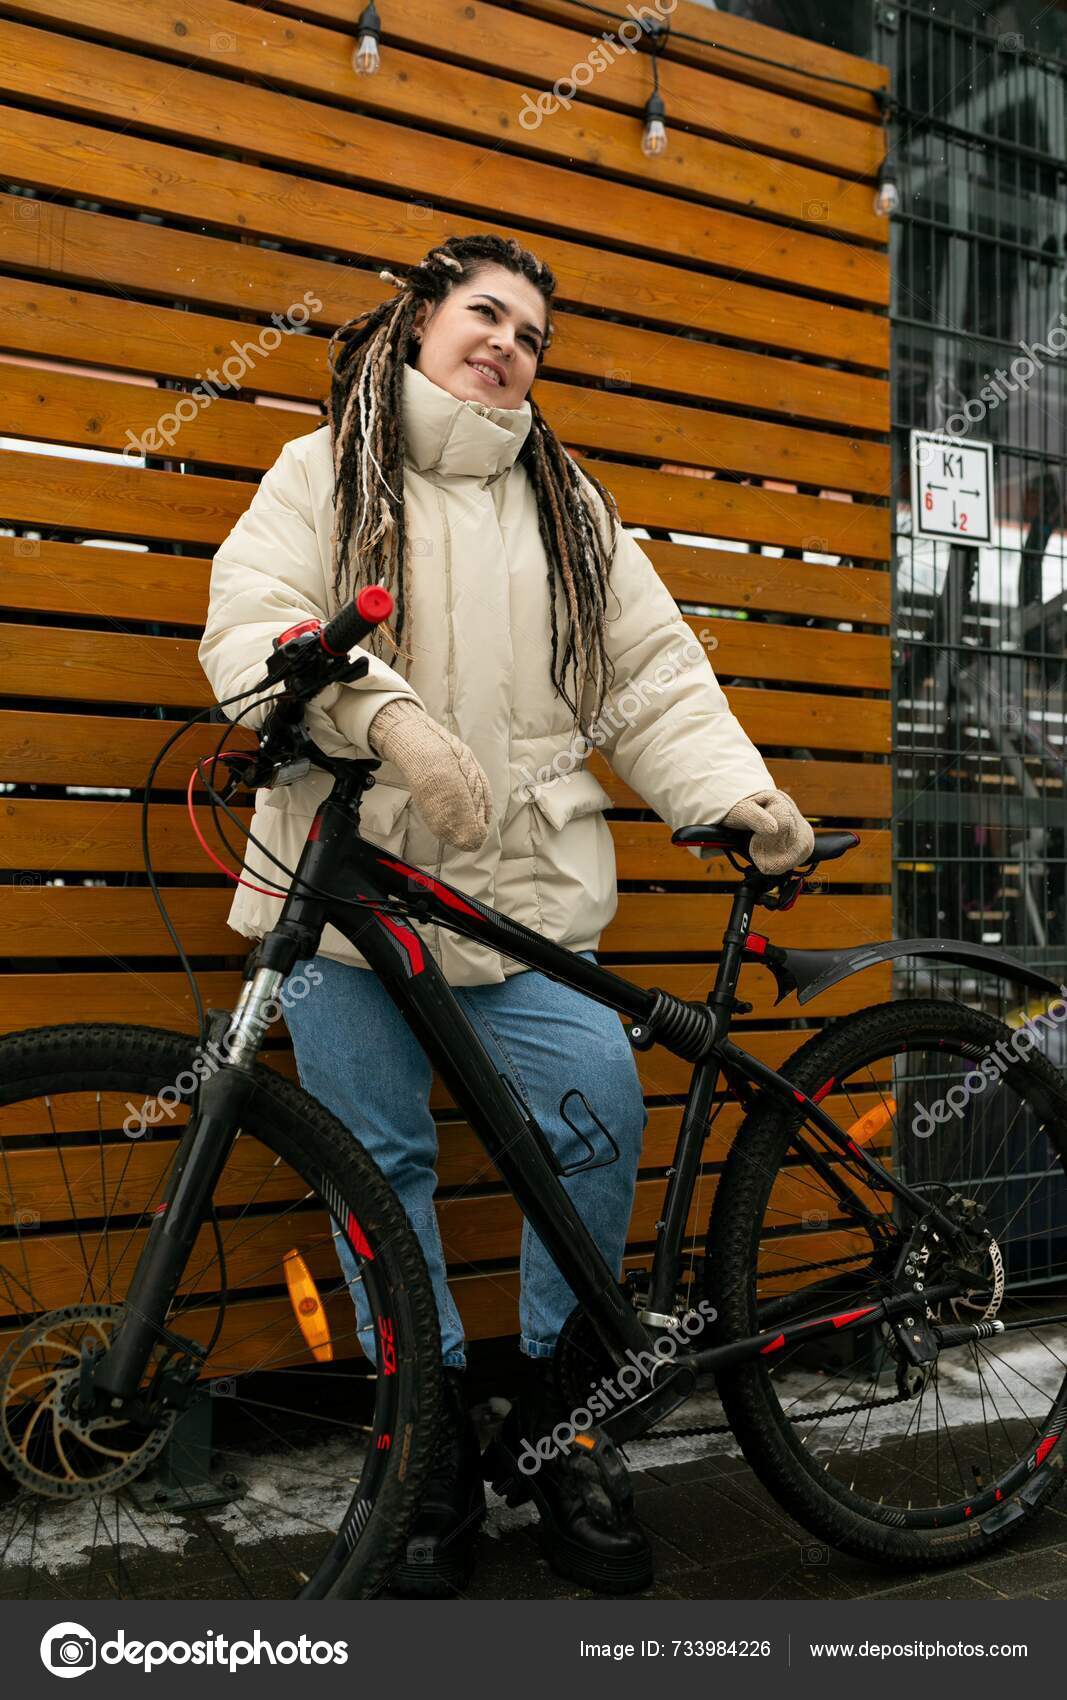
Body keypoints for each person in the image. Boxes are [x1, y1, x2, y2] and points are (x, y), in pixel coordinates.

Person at [197, 232, 814, 1599]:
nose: (508, 345)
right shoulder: (322, 470)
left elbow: (648, 680)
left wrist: (736, 798)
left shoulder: (570, 504)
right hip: (350, 900)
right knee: (376, 1169)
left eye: (532, 333)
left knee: (594, 1117)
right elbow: (248, 627)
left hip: (524, 896)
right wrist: (385, 714)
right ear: (419, 321)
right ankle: (421, 1441)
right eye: (486, 314)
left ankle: (563, 1424)